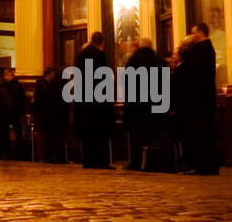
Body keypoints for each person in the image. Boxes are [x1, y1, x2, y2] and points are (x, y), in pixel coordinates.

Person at [179, 23, 219, 175]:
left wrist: (186, 47)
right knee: (208, 132)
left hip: (198, 98)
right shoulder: (208, 48)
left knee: (199, 133)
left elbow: (193, 73)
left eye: (194, 32)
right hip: (206, 97)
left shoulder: (199, 49)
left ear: (201, 32)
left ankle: (201, 165)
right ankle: (211, 165)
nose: (192, 35)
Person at [73, 32, 114, 168]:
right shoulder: (100, 55)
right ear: (101, 42)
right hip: (98, 101)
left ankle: (88, 160)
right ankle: (102, 161)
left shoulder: (80, 55)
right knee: (100, 132)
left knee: (87, 133)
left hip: (83, 101)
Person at [123, 37, 163, 170]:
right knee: (154, 134)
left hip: (137, 105)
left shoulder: (134, 60)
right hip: (156, 104)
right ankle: (154, 161)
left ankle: (136, 161)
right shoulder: (159, 60)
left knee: (137, 136)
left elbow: (127, 82)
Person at [37, 66, 68, 163]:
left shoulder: (51, 85)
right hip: (60, 115)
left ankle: (51, 157)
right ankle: (59, 157)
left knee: (51, 137)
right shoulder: (62, 86)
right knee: (59, 137)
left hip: (51, 115)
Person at [1, 66, 28, 160]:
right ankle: (7, 153)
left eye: (8, 75)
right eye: (5, 75)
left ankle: (19, 153)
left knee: (18, 134)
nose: (7, 77)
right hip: (5, 113)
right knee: (5, 134)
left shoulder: (17, 86)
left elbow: (22, 100)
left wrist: (22, 112)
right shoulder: (3, 86)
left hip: (16, 113)